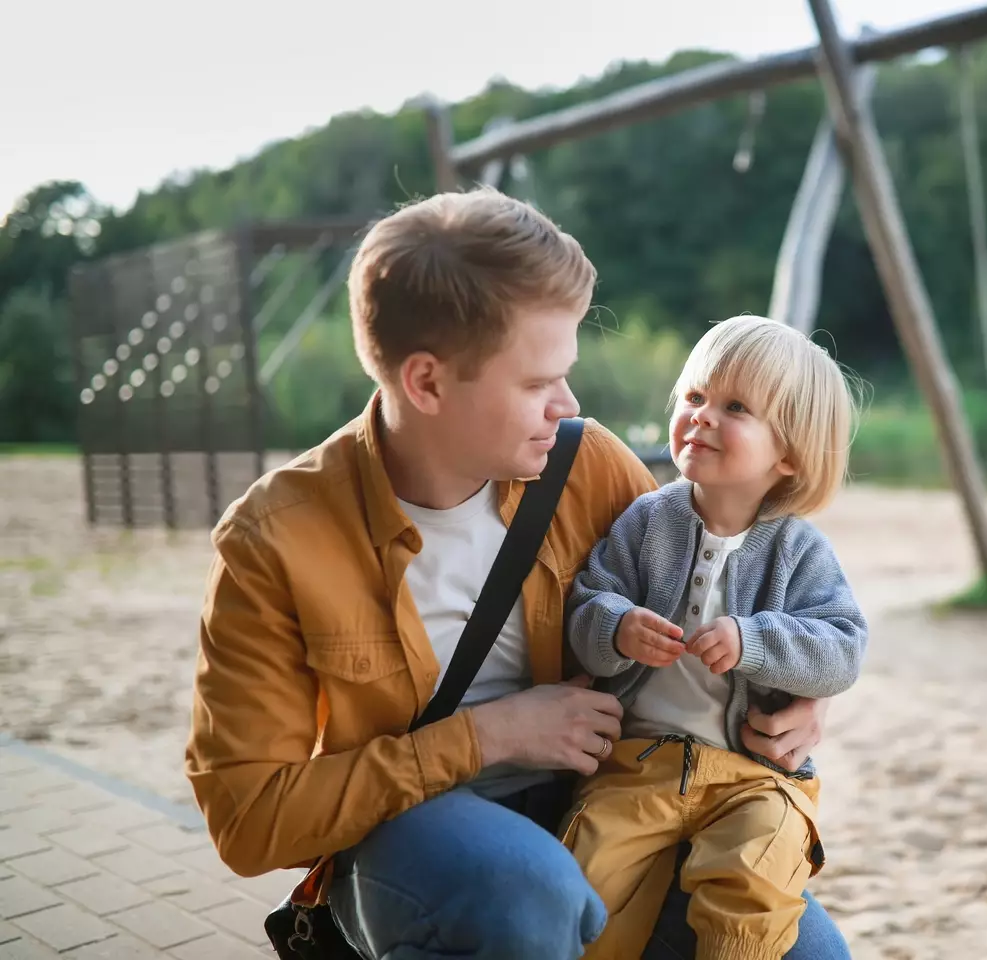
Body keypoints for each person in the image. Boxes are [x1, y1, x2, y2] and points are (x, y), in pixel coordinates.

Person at [183, 188, 850, 960]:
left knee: (811, 953)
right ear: (427, 383)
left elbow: (716, 611)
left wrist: (800, 706)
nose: (566, 403)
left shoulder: (588, 462)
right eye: (537, 384)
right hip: (414, 836)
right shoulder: (275, 539)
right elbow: (249, 822)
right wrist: (488, 737)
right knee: (524, 891)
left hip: (616, 797)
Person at [562, 316, 866, 960]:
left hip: (753, 777)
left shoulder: (798, 548)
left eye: (734, 407)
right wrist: (616, 626)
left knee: (756, 878)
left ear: (788, 454)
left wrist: (754, 640)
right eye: (694, 397)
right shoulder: (648, 521)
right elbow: (585, 607)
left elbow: (841, 648)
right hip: (638, 766)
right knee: (582, 880)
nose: (701, 416)